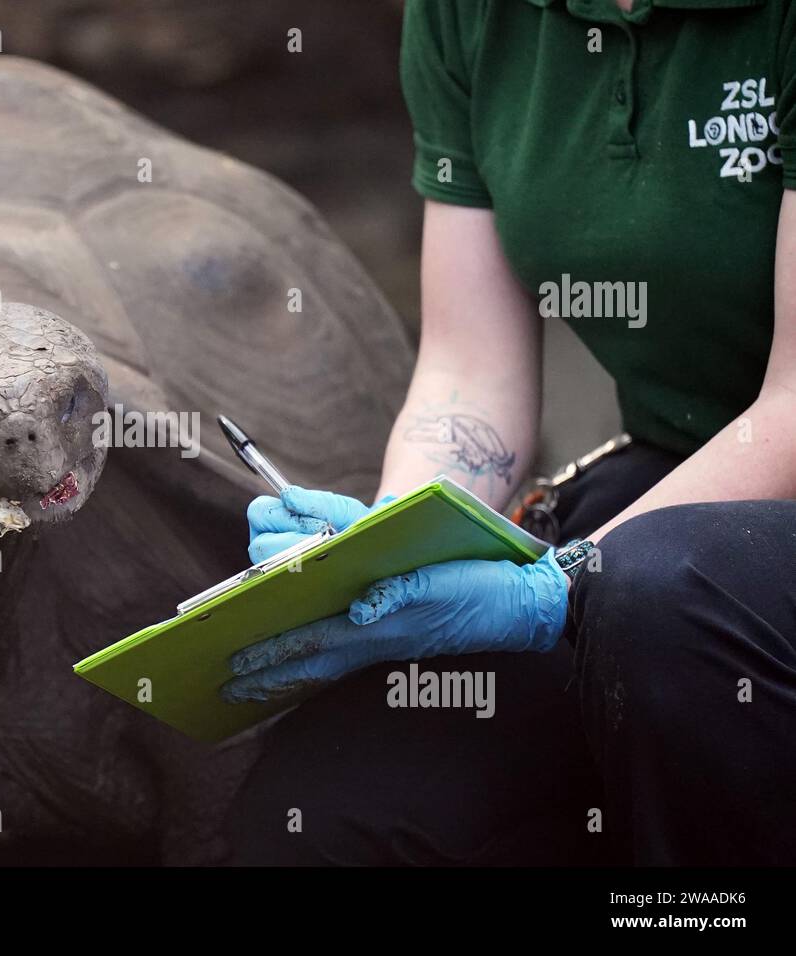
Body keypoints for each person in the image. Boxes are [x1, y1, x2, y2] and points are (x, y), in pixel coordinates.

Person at [223, 0, 796, 865]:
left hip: (707, 541)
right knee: (334, 810)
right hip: (677, 487)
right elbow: (469, 369)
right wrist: (393, 551)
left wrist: (556, 587)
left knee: (655, 601)